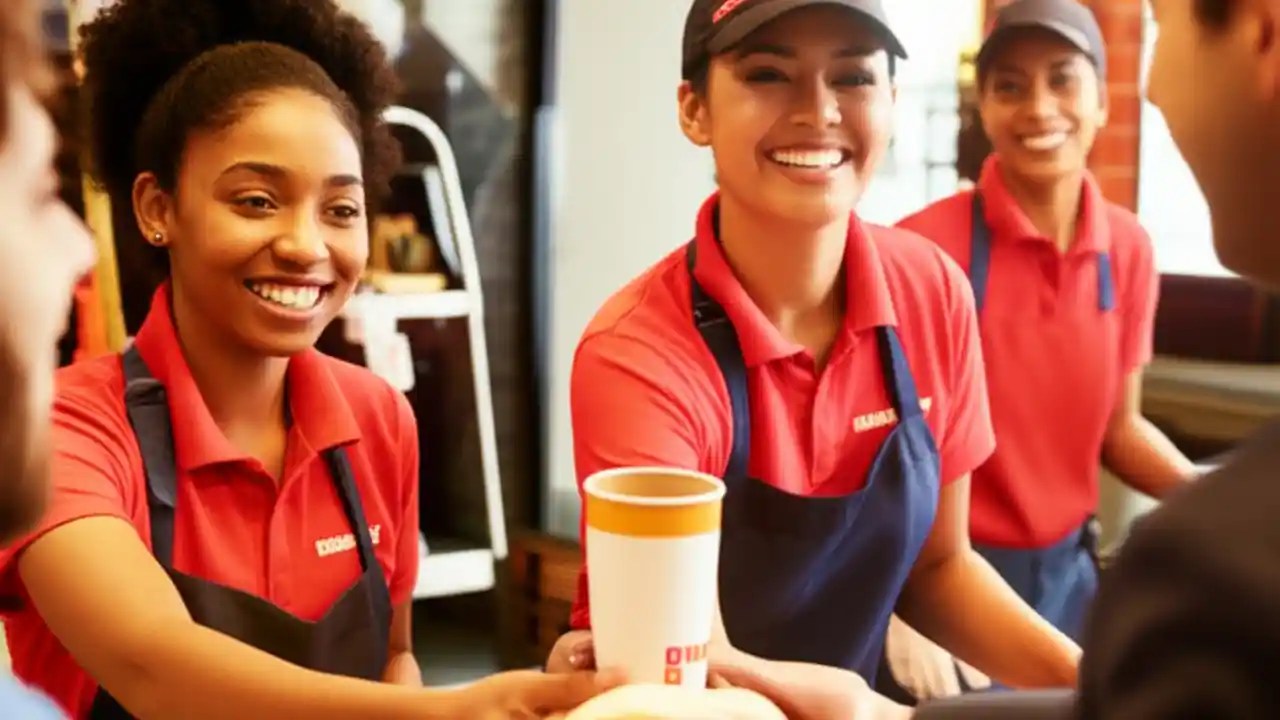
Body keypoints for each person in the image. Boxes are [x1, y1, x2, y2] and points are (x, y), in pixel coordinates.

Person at [0, 1, 617, 718]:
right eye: (257, 200)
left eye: (341, 210)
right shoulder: (69, 427)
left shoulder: (377, 416)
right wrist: (452, 712)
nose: (305, 245)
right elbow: (153, 665)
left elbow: (393, 654)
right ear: (155, 208)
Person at [548, 0, 1081, 717]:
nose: (819, 110)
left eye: (854, 78)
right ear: (695, 110)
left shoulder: (932, 295)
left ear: (891, 101)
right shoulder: (640, 356)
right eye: (769, 74)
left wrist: (1102, 685)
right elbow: (680, 676)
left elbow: (939, 568)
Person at [889, 0, 1199, 695]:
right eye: (1010, 86)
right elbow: (877, 459)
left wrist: (1219, 496)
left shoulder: (1129, 247)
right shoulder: (919, 249)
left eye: (1061, 79)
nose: (1038, 107)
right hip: (950, 584)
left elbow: (1119, 430)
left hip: (1071, 578)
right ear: (985, 108)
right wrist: (893, 606)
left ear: (1101, 99)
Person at [1076, 0, 1280, 717]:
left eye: (1161, 26)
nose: (1154, 86)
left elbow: (1118, 425)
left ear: (1264, 29)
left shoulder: (1214, 584)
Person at [0, 0, 98, 716]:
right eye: (39, 193)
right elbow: (153, 659)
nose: (82, 247)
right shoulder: (87, 419)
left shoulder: (374, 415)